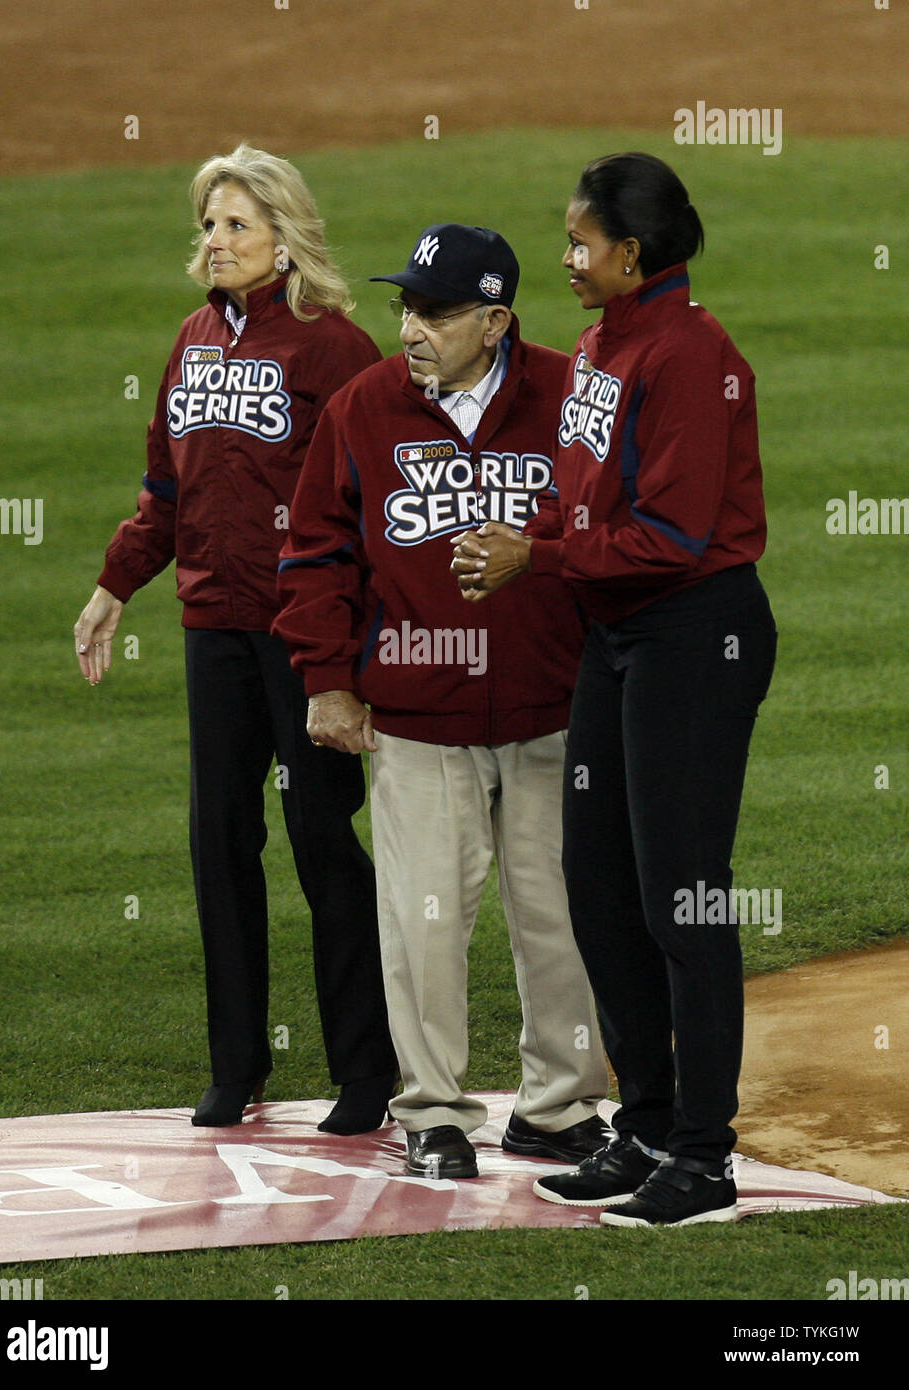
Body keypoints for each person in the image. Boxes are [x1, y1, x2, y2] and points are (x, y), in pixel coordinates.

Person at [451, 154, 777, 1224]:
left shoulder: (690, 356)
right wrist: (532, 536)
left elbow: (676, 537)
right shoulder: (602, 344)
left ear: (632, 254)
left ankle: (704, 1154)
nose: (565, 258)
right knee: (598, 885)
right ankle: (641, 1126)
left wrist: (534, 561)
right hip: (617, 634)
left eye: (580, 242)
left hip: (693, 633)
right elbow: (591, 503)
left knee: (682, 894)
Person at [73, 143, 397, 1131]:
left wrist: (356, 648)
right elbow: (166, 491)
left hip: (300, 638)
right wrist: (113, 585)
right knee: (220, 839)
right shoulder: (192, 342)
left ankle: (364, 1072)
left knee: (318, 839)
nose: (215, 241)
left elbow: (370, 503)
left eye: (236, 225)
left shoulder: (334, 349)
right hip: (212, 628)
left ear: (284, 237)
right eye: (209, 224)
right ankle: (236, 1065)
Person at [275, 223, 609, 1179]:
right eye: (406, 308)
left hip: (555, 707)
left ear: (496, 320)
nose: (411, 329)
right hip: (418, 714)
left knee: (562, 918)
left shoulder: (567, 398)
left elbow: (607, 532)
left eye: (436, 312)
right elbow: (316, 551)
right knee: (422, 924)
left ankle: (556, 1107)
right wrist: (329, 677)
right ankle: (433, 1116)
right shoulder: (363, 407)